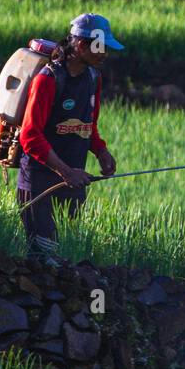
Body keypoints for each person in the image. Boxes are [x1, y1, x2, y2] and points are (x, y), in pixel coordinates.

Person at [16, 13, 121, 260]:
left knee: (65, 255)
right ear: (81, 45)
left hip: (73, 182)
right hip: (40, 183)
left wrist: (101, 151)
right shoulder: (47, 79)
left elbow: (87, 125)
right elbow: (30, 136)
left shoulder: (93, 78)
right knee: (44, 255)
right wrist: (66, 172)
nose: (105, 54)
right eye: (101, 47)